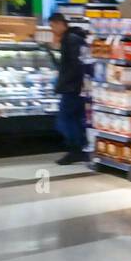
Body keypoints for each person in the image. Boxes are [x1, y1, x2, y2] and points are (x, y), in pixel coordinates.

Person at [47, 12, 88, 164]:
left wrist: (64, 83)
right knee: (75, 119)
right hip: (75, 87)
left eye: (52, 26)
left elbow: (74, 66)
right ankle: (80, 149)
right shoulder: (72, 38)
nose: (52, 30)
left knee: (64, 120)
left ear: (59, 23)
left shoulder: (70, 40)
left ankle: (75, 150)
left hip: (72, 88)